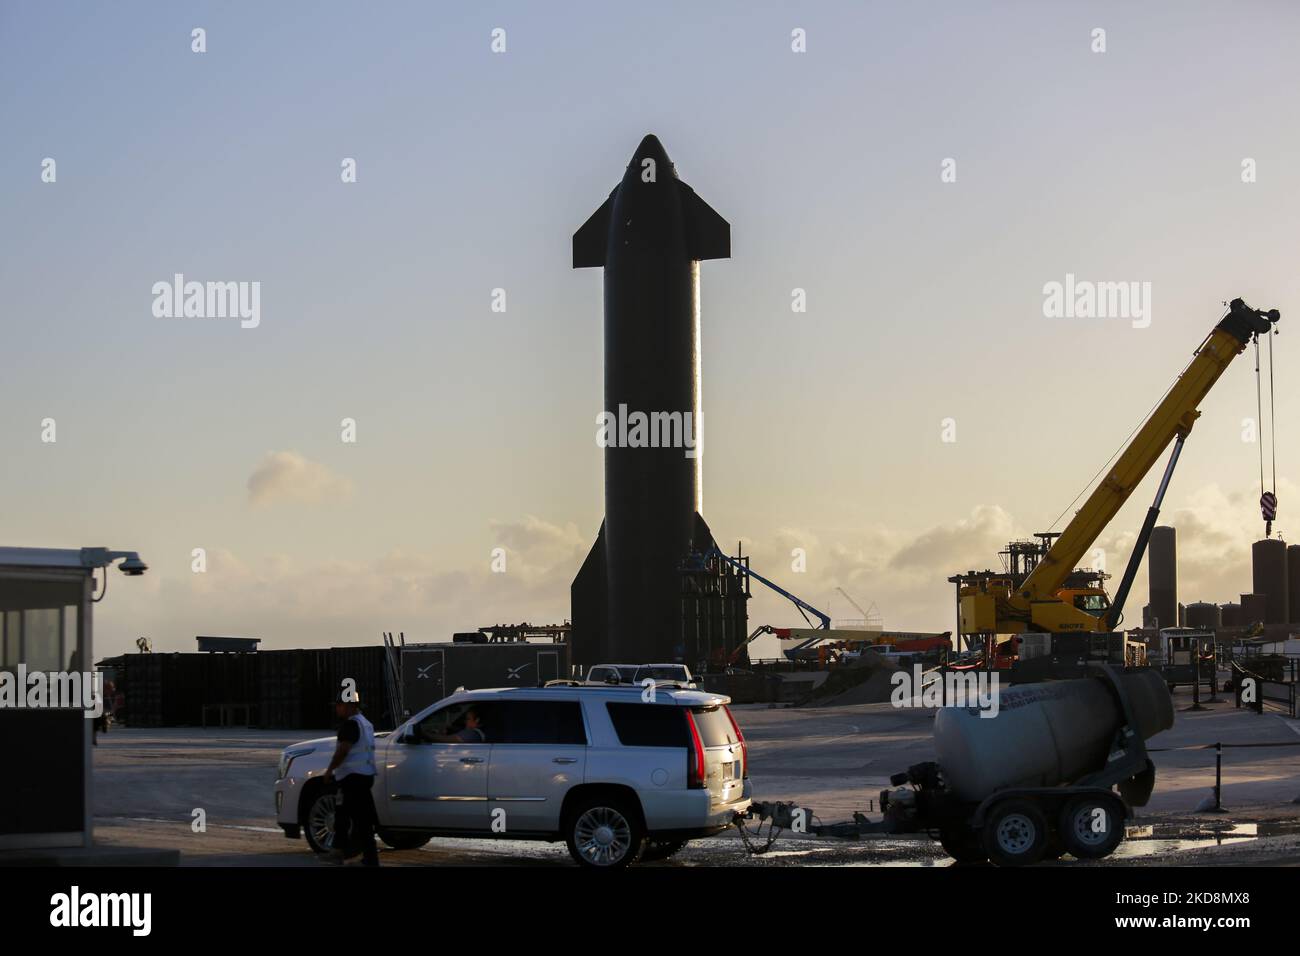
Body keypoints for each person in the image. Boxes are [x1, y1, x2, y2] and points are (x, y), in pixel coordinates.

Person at [323, 688, 379, 866]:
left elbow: (343, 750)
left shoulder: (350, 725)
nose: (337, 709)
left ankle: (357, 856)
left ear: (348, 706)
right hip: (365, 777)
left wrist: (330, 769)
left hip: (352, 780)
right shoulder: (366, 723)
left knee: (356, 821)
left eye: (339, 705)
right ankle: (344, 853)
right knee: (348, 818)